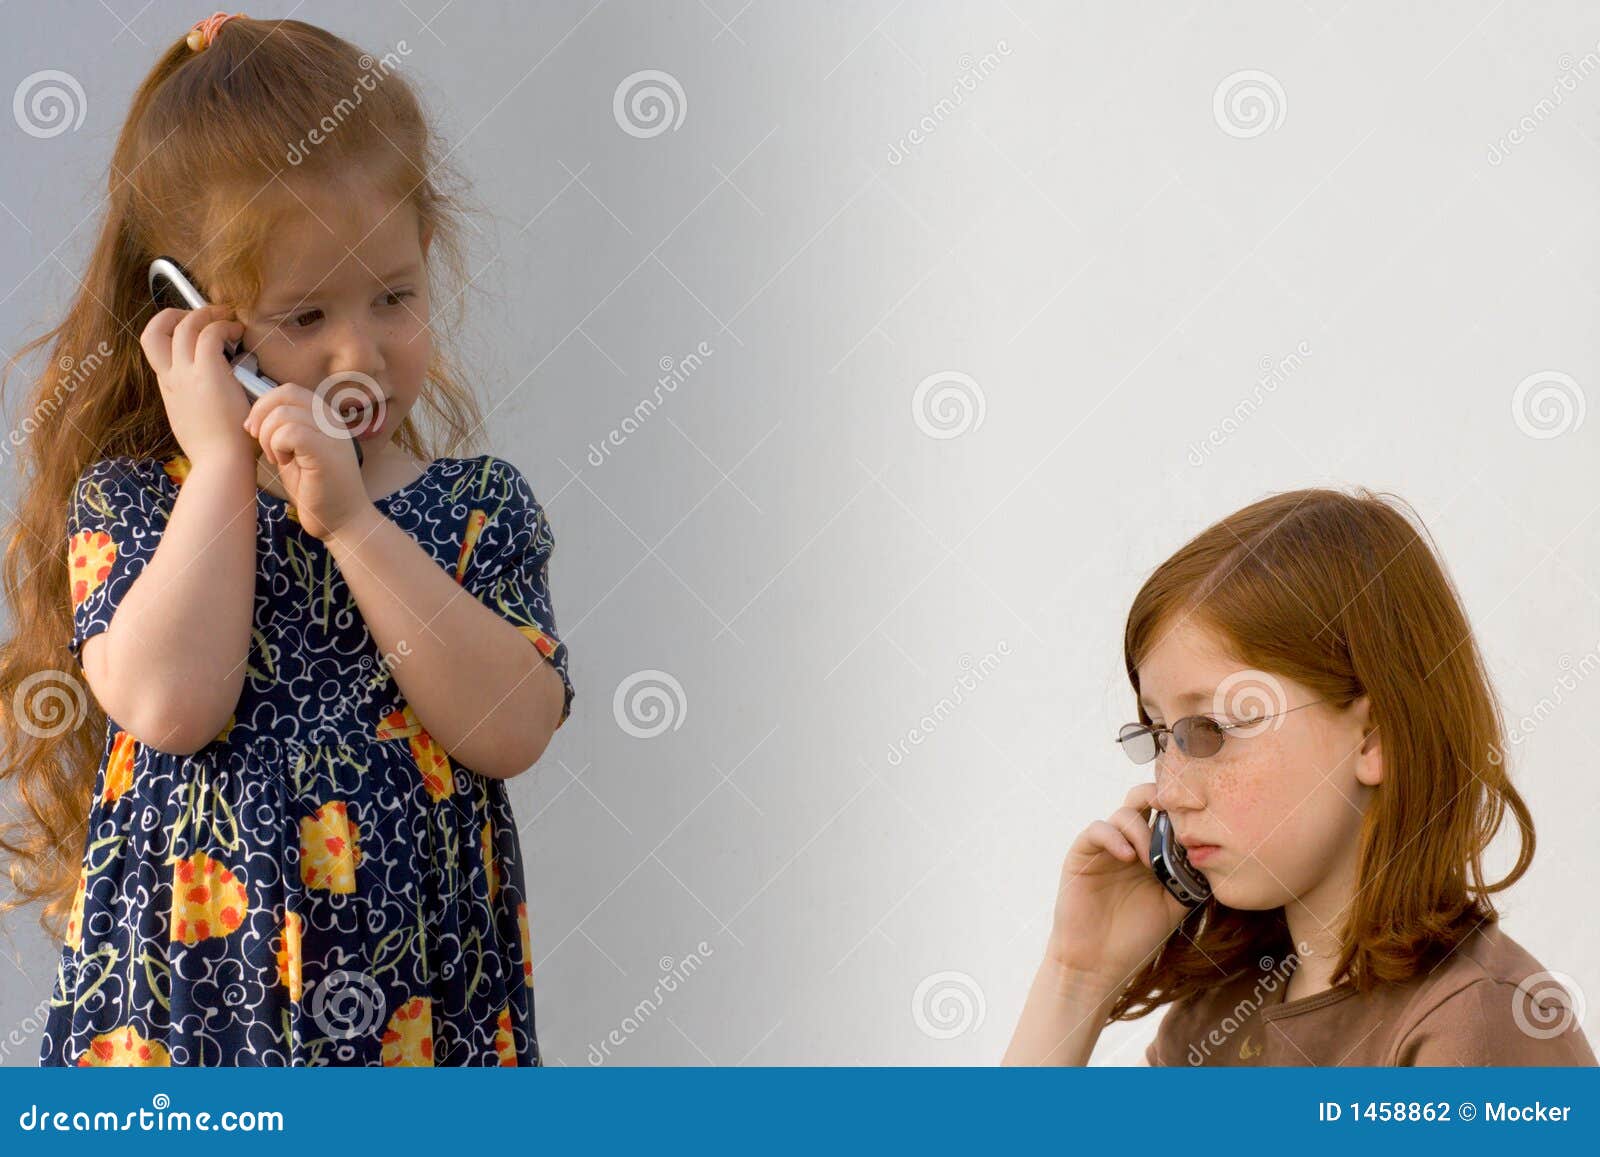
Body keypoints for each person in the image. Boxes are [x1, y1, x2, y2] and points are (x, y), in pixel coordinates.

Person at [0, 12, 574, 1066]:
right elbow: (172, 705)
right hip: (193, 1031)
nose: (360, 351)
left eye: (393, 296)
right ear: (195, 322)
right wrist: (223, 464)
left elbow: (513, 726)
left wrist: (351, 523)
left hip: (422, 1028)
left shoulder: (473, 508)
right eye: (305, 318)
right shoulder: (132, 506)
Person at [1004, 488, 1594, 1066]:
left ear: (1375, 738)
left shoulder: (1483, 1024)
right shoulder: (1212, 1019)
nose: (1170, 792)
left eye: (1209, 731)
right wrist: (1076, 978)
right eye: (1162, 735)